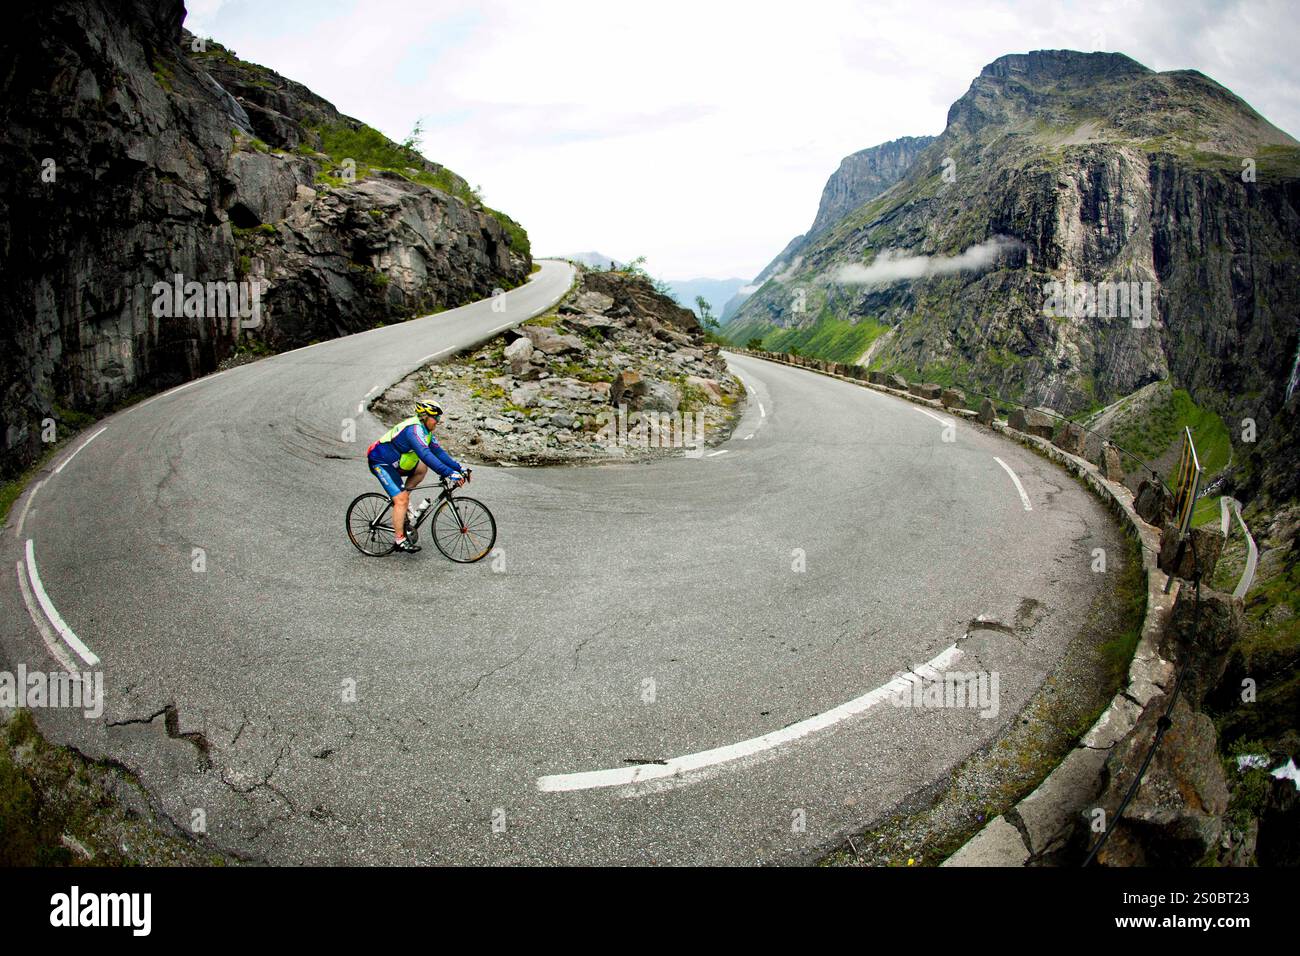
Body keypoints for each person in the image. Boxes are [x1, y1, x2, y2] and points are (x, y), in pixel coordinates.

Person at [366, 399, 467, 553]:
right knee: (401, 500)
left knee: (422, 468)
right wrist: (448, 473)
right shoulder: (413, 430)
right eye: (436, 418)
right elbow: (425, 454)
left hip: (397, 462)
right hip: (380, 461)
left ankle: (404, 497)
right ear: (425, 416)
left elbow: (438, 452)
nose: (438, 422)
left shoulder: (426, 432)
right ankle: (400, 539)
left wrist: (460, 468)